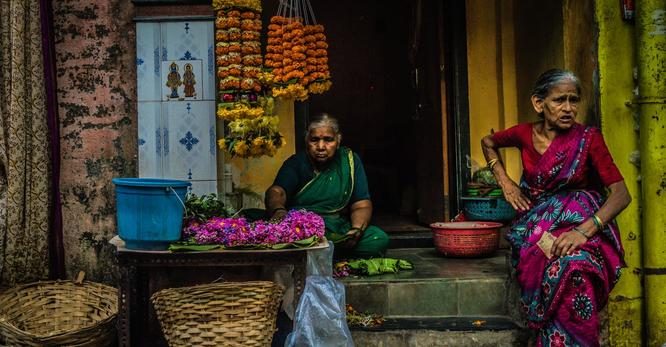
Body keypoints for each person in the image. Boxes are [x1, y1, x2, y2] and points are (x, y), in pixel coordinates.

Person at [481, 69, 631, 346]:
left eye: (574, 101)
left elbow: (621, 195)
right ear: (539, 104)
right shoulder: (524, 134)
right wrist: (505, 182)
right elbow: (488, 142)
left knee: (573, 267)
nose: (569, 108)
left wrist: (583, 232)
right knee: (549, 266)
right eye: (559, 100)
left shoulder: (588, 139)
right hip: (537, 225)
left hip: (581, 225)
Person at [265, 114, 389, 258]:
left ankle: (316, 253)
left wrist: (355, 230)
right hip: (301, 228)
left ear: (338, 140)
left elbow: (361, 204)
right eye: (314, 140)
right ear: (307, 141)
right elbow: (277, 191)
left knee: (377, 239)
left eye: (328, 140)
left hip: (337, 229)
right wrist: (279, 211)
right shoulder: (297, 162)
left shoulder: (349, 161)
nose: (321, 147)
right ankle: (325, 253)